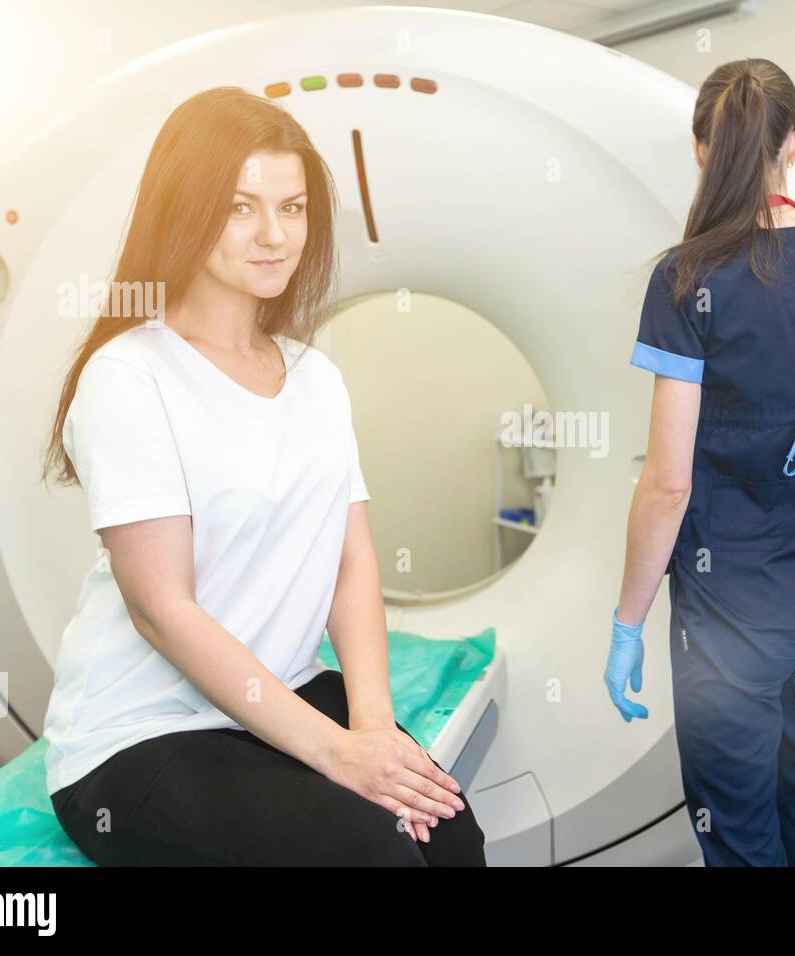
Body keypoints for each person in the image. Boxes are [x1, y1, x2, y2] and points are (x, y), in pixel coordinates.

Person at [39, 87, 486, 865]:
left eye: (294, 207)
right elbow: (162, 612)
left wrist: (373, 726)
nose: (274, 235)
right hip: (143, 734)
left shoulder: (315, 378)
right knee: (371, 852)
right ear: (184, 210)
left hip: (283, 687)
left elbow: (352, 559)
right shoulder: (130, 377)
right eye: (241, 207)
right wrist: (336, 754)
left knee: (447, 834)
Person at [604, 58, 795, 867]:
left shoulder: (687, 277)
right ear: (793, 142)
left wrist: (627, 624)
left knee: (740, 840)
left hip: (729, 620)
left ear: (703, 150)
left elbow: (667, 484)